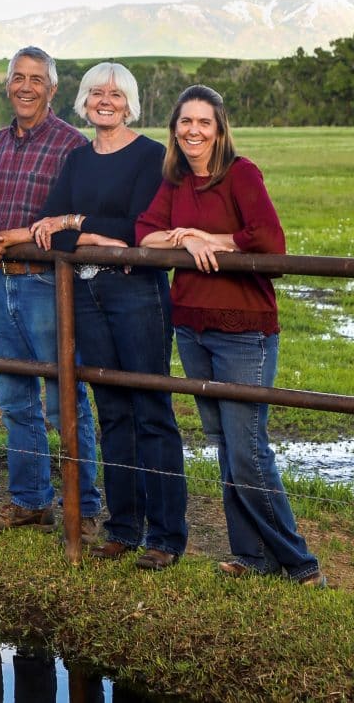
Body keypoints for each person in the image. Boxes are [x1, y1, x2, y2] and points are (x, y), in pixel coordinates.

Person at [136, 84, 325, 586]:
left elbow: (269, 240)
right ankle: (251, 554)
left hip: (243, 329)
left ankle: (299, 561)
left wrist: (210, 240)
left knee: (247, 450)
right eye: (185, 122)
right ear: (174, 129)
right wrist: (182, 239)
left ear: (220, 130)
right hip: (192, 327)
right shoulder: (176, 180)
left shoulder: (241, 174)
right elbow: (145, 233)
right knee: (223, 443)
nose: (193, 131)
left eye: (204, 122)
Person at [29, 62, 188, 570]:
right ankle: (123, 527)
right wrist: (93, 235)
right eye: (96, 92)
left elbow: (140, 228)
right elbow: (48, 229)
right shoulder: (77, 159)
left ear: (130, 103)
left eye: (116, 94)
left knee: (151, 409)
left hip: (136, 292)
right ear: (83, 100)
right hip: (86, 293)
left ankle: (166, 535)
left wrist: (78, 223)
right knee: (113, 410)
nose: (105, 100)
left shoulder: (151, 156)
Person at [0, 46, 101, 535]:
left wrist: (13, 237)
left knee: (65, 398)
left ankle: (84, 508)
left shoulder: (72, 145)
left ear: (53, 89)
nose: (25, 87)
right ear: (7, 85)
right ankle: (29, 500)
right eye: (18, 77)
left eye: (36, 79)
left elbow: (79, 218)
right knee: (15, 396)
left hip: (47, 283)